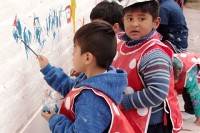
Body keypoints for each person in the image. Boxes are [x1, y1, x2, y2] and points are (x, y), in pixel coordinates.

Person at [37, 21, 134, 132]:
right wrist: (48, 70)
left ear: (87, 58)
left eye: (75, 50)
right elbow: (70, 88)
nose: (72, 55)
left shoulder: (91, 100)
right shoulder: (98, 80)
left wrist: (54, 119)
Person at [112, 0, 182, 132]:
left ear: (155, 23)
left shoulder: (153, 54)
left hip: (151, 124)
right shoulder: (122, 44)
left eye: (142, 18)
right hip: (129, 117)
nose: (134, 24)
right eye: (130, 18)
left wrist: (123, 102)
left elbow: (157, 92)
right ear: (123, 21)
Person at [173, 52, 200, 126]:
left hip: (191, 66)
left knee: (190, 91)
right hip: (181, 62)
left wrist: (198, 116)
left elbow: (195, 96)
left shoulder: (188, 78)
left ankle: (191, 111)